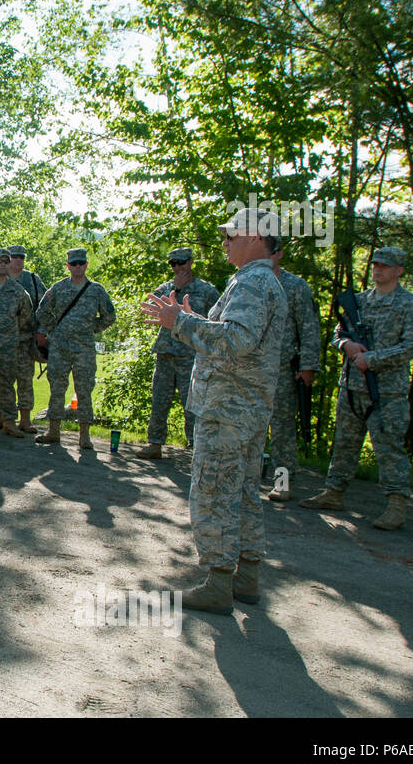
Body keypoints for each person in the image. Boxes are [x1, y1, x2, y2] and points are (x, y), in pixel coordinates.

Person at [140, 207, 287, 615]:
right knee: (242, 492)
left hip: (228, 409)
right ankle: (246, 577)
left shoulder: (253, 283)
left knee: (213, 492)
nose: (223, 241)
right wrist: (189, 319)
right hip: (246, 408)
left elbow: (236, 341)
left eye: (230, 234)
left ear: (257, 237)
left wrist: (180, 324)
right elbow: (239, 338)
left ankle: (219, 583)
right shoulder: (260, 281)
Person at [300, 247, 413, 530]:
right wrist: (346, 345)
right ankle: (334, 493)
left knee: (389, 447)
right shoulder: (358, 301)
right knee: (344, 443)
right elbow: (338, 333)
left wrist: (371, 359)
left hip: (387, 391)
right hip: (351, 387)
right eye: (375, 265)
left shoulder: (411, 305)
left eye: (385, 266)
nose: (378, 269)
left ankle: (396, 505)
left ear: (399, 270)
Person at [137, 248, 220, 458]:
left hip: (190, 354)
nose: (176, 268)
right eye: (172, 264)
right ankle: (155, 443)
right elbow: (149, 306)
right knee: (159, 401)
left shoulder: (206, 290)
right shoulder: (166, 288)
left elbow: (218, 320)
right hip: (166, 353)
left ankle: (196, 449)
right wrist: (176, 288)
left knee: (192, 403)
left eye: (180, 263)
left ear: (190, 262)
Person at [34, 247, 116, 449]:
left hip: (84, 349)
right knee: (57, 389)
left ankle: (84, 435)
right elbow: (42, 311)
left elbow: (109, 317)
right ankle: (53, 431)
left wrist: (91, 328)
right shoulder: (59, 288)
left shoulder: (96, 290)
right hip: (60, 347)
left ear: (86, 264)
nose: (77, 267)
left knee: (84, 390)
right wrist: (55, 327)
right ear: (68, 266)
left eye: (81, 263)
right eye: (73, 264)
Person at [265, 242, 320, 498]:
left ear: (279, 254)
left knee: (282, 429)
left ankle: (283, 483)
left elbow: (309, 327)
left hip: (282, 369)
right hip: (247, 367)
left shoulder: (296, 286)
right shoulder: (247, 282)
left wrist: (308, 366)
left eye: (271, 252)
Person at [0, 247, 34, 438]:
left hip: (7, 345)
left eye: (6, 261)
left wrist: (8, 332)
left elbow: (25, 317)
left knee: (6, 384)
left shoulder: (18, 291)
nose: (3, 264)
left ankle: (10, 422)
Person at [7, 246, 45, 433]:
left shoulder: (33, 280)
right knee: (3, 381)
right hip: (2, 341)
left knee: (25, 380)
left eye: (21, 257)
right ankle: (3, 417)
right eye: (14, 257)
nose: (18, 260)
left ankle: (25, 419)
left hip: (25, 340)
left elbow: (45, 308)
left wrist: (42, 331)